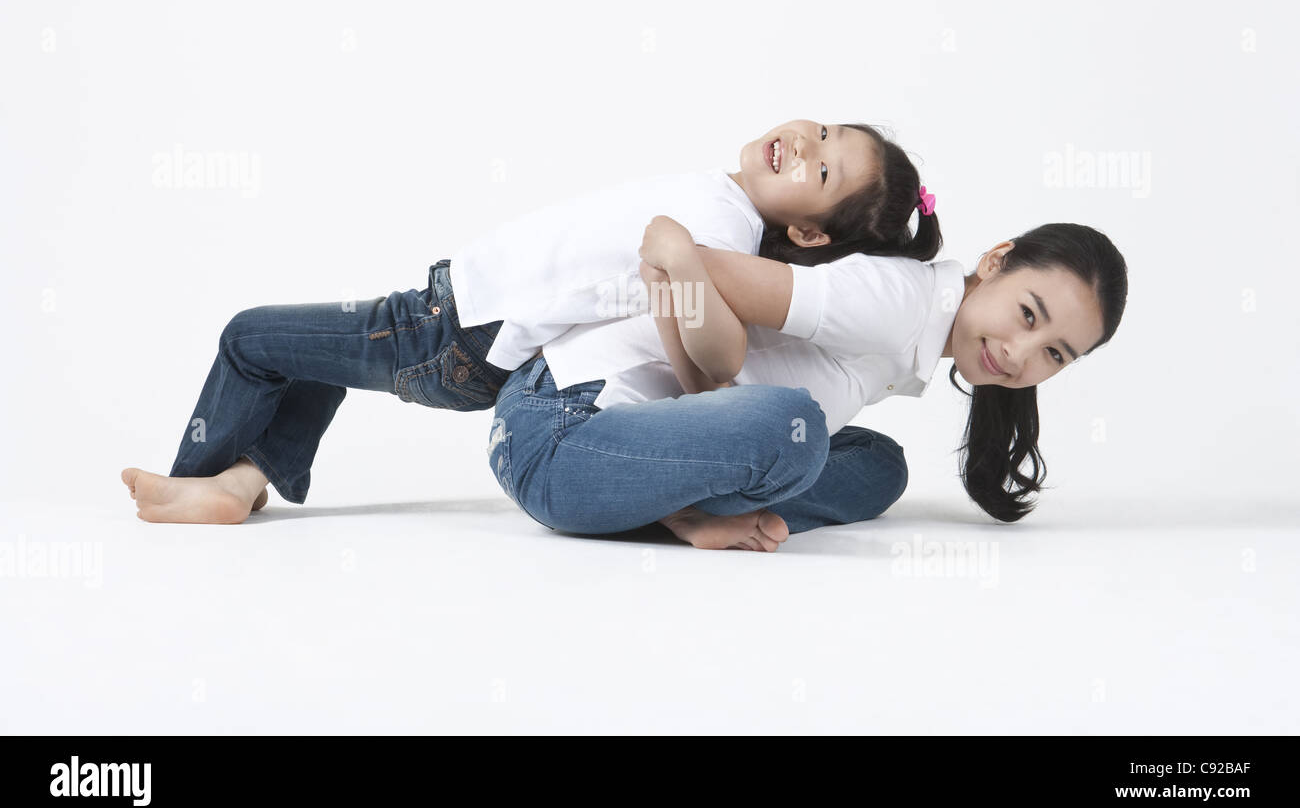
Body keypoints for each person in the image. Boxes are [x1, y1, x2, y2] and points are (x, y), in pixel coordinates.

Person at [120, 120, 940, 523]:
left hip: (456, 333)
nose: (799, 145)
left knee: (250, 338)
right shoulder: (720, 205)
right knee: (320, 356)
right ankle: (244, 479)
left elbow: (714, 360)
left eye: (820, 168)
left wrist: (686, 267)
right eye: (822, 131)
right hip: (459, 316)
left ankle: (194, 486)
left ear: (806, 234)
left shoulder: (720, 238)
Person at [483, 219, 1128, 550]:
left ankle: (701, 505)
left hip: (607, 443)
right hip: (560, 437)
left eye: (1055, 354)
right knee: (791, 432)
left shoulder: (920, 333)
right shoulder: (894, 302)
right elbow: (689, 268)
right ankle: (684, 516)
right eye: (1026, 315)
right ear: (996, 261)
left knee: (878, 467)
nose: (1019, 356)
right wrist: (710, 394)